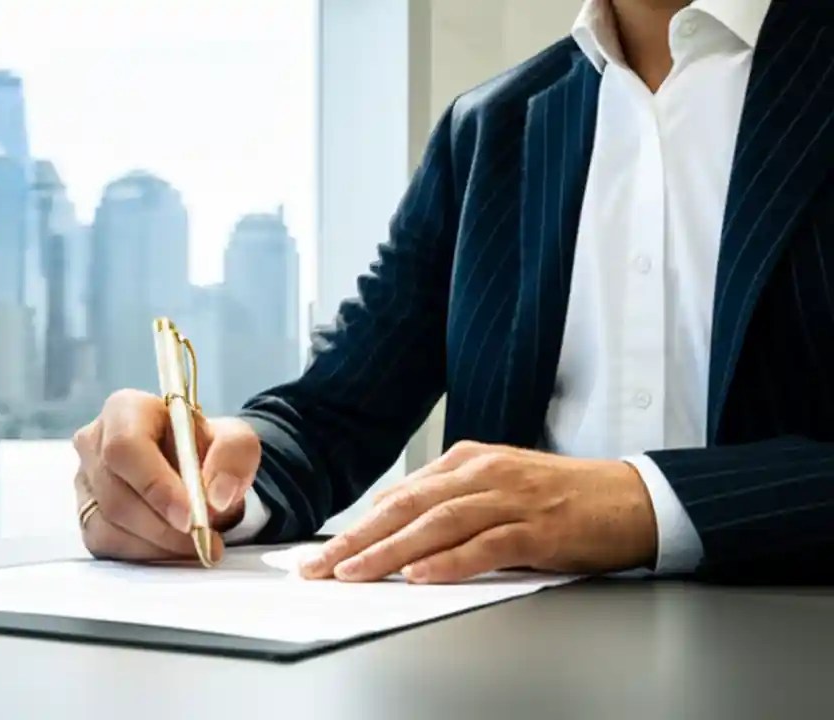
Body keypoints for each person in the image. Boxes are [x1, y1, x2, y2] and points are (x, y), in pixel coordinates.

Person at [72, 0, 834, 584]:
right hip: (499, 670)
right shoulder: (492, 128)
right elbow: (333, 412)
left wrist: (646, 502)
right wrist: (208, 480)